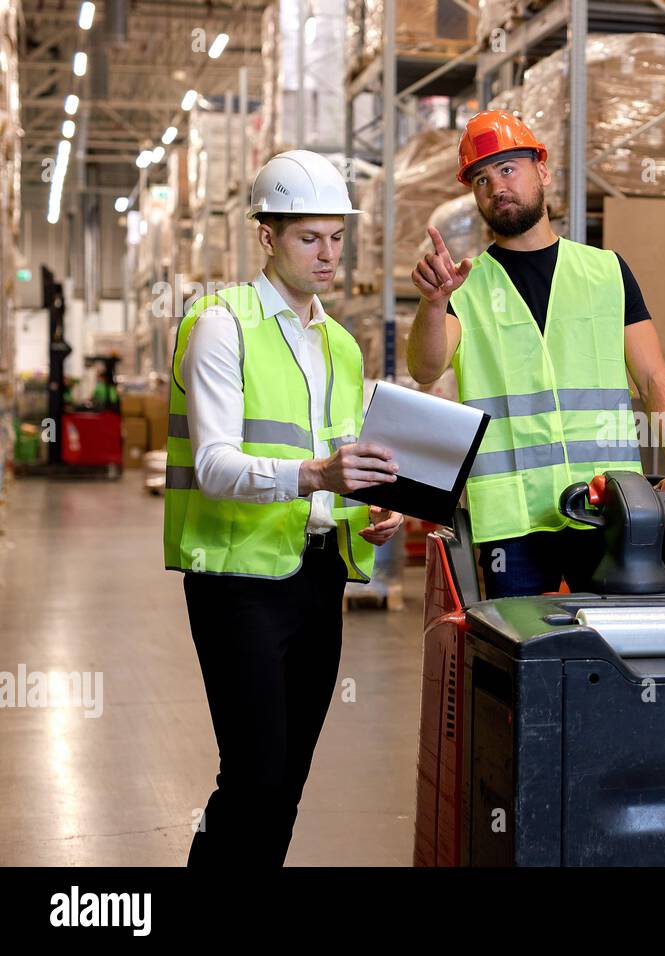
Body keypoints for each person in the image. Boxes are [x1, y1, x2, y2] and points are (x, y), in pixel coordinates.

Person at [163, 149, 404, 866]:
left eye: (337, 236)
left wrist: (373, 507)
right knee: (254, 777)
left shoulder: (343, 344)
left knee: (287, 784)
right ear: (266, 237)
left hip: (319, 577)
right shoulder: (220, 325)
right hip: (238, 581)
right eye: (309, 237)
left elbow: (339, 460)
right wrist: (317, 474)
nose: (328, 254)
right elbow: (213, 465)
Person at [406, 110, 665, 598]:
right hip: (512, 516)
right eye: (481, 178)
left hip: (606, 502)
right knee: (515, 652)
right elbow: (424, 366)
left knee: (615, 647)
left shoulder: (605, 271)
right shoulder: (467, 282)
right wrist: (433, 303)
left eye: (507, 169)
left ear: (541, 171)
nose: (495, 186)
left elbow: (653, 377)